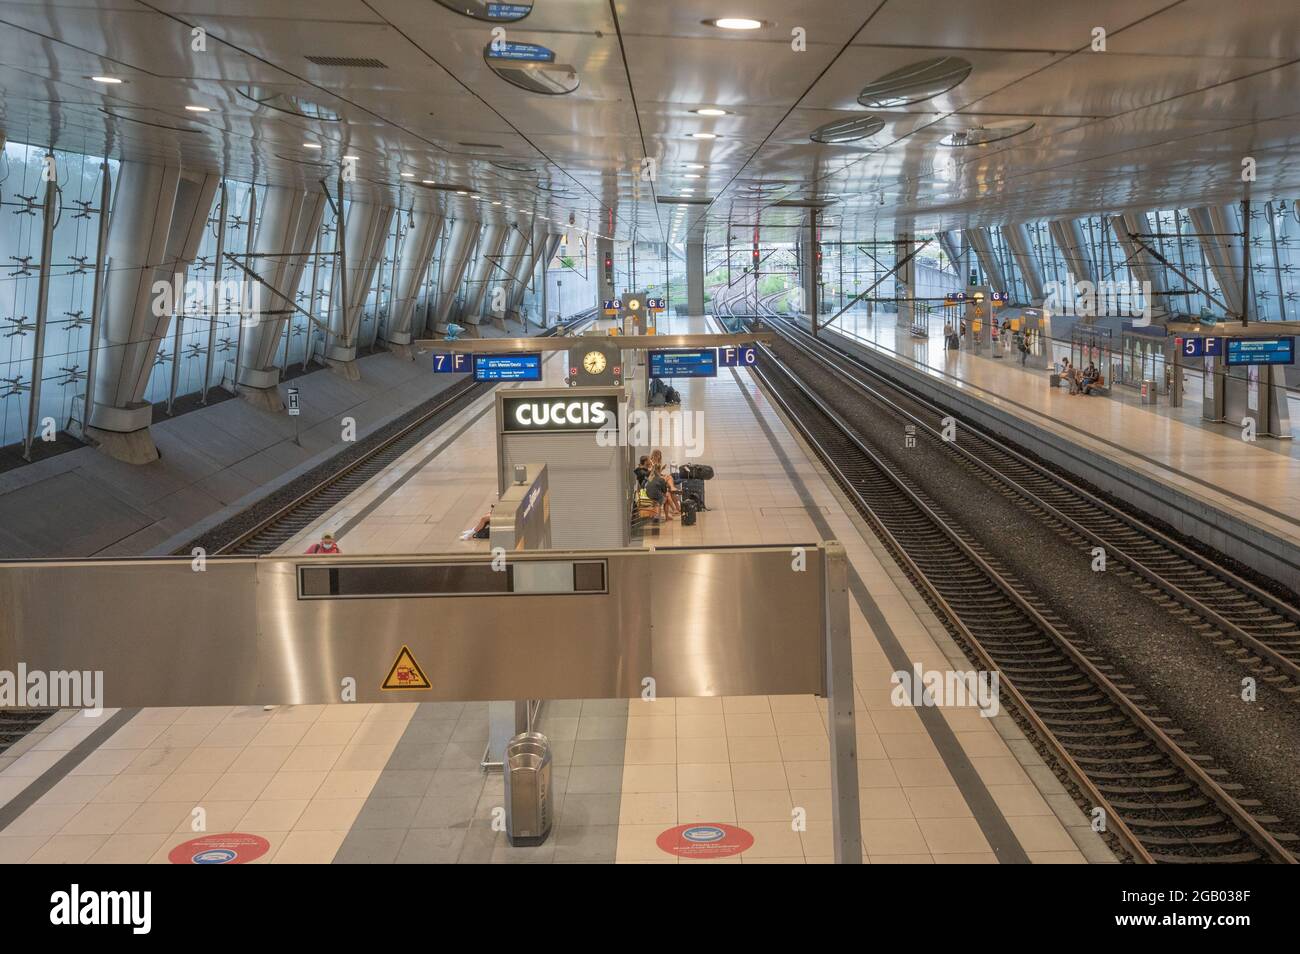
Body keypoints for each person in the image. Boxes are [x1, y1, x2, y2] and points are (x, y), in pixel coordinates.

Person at [650, 449, 680, 517]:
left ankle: (676, 509)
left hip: (657, 479)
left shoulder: (657, 462)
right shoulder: (651, 462)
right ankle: (675, 508)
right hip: (654, 481)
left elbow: (657, 473)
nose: (659, 457)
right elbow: (652, 474)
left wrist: (661, 470)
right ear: (654, 455)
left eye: (660, 455)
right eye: (658, 455)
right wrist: (661, 471)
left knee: (671, 492)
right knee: (669, 479)